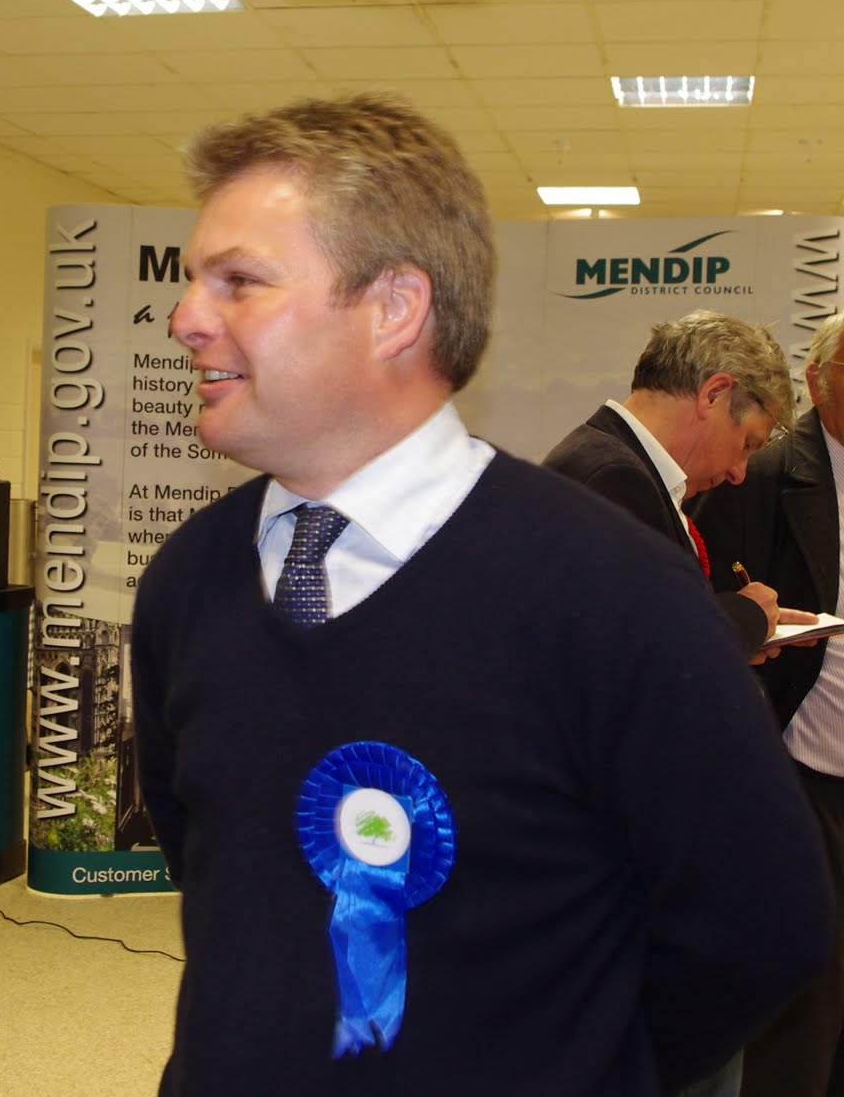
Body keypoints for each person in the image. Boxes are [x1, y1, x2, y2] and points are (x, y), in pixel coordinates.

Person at [130, 92, 832, 1096]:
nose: (186, 317)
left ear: (394, 310)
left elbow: (764, 917)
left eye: (238, 282)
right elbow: (212, 867)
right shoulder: (188, 582)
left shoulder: (611, 591)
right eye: (197, 279)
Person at [693, 312, 844, 1096]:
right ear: (820, 378)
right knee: (803, 1005)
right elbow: (704, 605)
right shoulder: (767, 471)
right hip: (801, 763)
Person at [543, 309, 800, 660]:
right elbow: (642, 651)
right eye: (748, 445)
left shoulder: (612, 464)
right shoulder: (614, 479)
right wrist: (747, 618)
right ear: (714, 394)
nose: (739, 473)